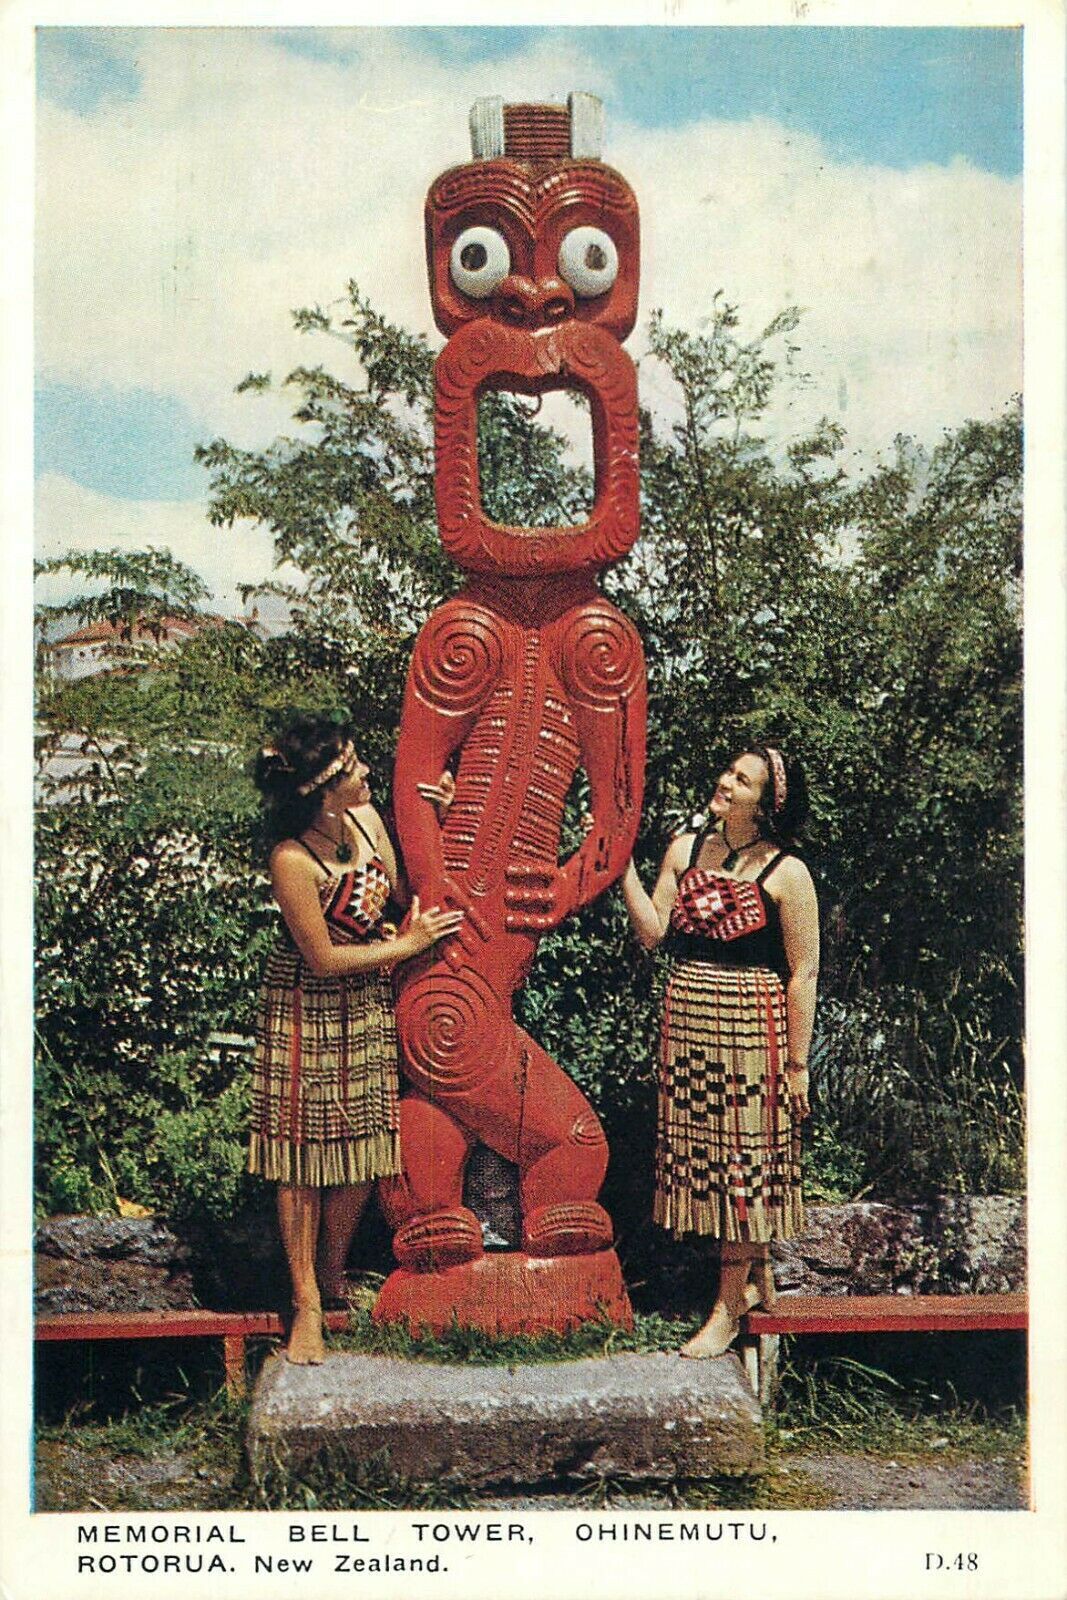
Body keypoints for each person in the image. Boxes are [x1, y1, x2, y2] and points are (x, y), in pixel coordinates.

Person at [249, 714, 462, 1364]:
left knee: (363, 1146)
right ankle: (306, 1302)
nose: (366, 770)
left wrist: (441, 819)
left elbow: (401, 892)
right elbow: (321, 959)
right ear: (320, 790)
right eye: (351, 766)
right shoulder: (292, 858)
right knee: (301, 1157)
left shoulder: (366, 821)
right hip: (306, 1008)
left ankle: (332, 1273)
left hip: (365, 1001)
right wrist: (407, 946)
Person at [620, 745, 819, 1358]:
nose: (727, 783)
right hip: (688, 1022)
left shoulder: (787, 872)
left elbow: (804, 973)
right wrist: (619, 868)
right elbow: (653, 932)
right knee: (708, 1157)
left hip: (754, 1027)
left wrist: (797, 1065)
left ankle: (728, 1307)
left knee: (745, 1160)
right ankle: (753, 1276)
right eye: (730, 772)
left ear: (767, 804)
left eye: (743, 780)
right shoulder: (685, 850)